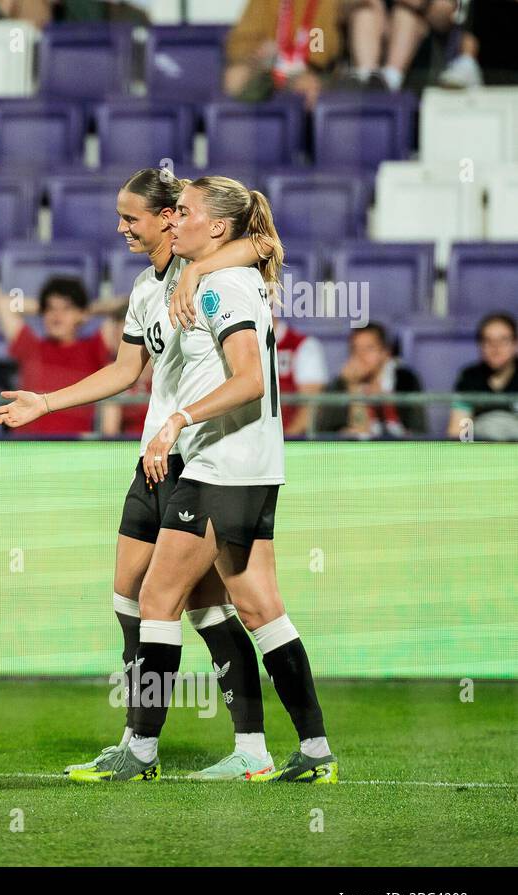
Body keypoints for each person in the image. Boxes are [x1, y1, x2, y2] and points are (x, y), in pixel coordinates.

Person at [0, 168, 279, 782]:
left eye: (130, 218)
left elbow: (263, 240)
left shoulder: (216, 271)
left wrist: (198, 267)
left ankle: (201, 747)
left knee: (200, 608)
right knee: (133, 597)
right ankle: (143, 740)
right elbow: (124, 372)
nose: (121, 228)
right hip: (154, 456)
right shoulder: (148, 288)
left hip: (202, 457)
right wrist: (47, 401)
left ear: (171, 216)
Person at [122, 176, 337, 784]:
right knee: (259, 606)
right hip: (251, 466)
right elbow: (262, 246)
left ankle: (139, 751)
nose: (173, 220)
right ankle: (313, 750)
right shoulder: (219, 275)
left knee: (158, 600)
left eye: (183, 213)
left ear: (216, 227)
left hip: (220, 466)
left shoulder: (219, 288)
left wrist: (177, 422)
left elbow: (249, 379)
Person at [0, 277, 111, 436]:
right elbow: (3, 303)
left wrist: (87, 309)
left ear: (82, 314)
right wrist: (44, 308)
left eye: (66, 308)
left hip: (74, 450)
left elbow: (130, 305)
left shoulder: (94, 348)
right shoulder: (30, 347)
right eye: (50, 309)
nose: (57, 315)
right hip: (26, 448)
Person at [314, 323, 425, 436]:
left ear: (385, 352)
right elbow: (331, 435)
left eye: (369, 348)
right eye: (355, 349)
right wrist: (353, 386)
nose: (360, 355)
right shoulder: (339, 385)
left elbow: (418, 431)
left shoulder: (406, 379)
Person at [448, 312, 518, 441]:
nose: (496, 348)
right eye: (488, 340)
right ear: (480, 346)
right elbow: (458, 434)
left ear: (515, 344)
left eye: (503, 340)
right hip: (481, 456)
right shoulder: (469, 377)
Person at [274, 317, 329, 436]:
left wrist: (286, 442)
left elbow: (310, 410)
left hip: (287, 444)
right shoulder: (239, 346)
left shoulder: (303, 345)